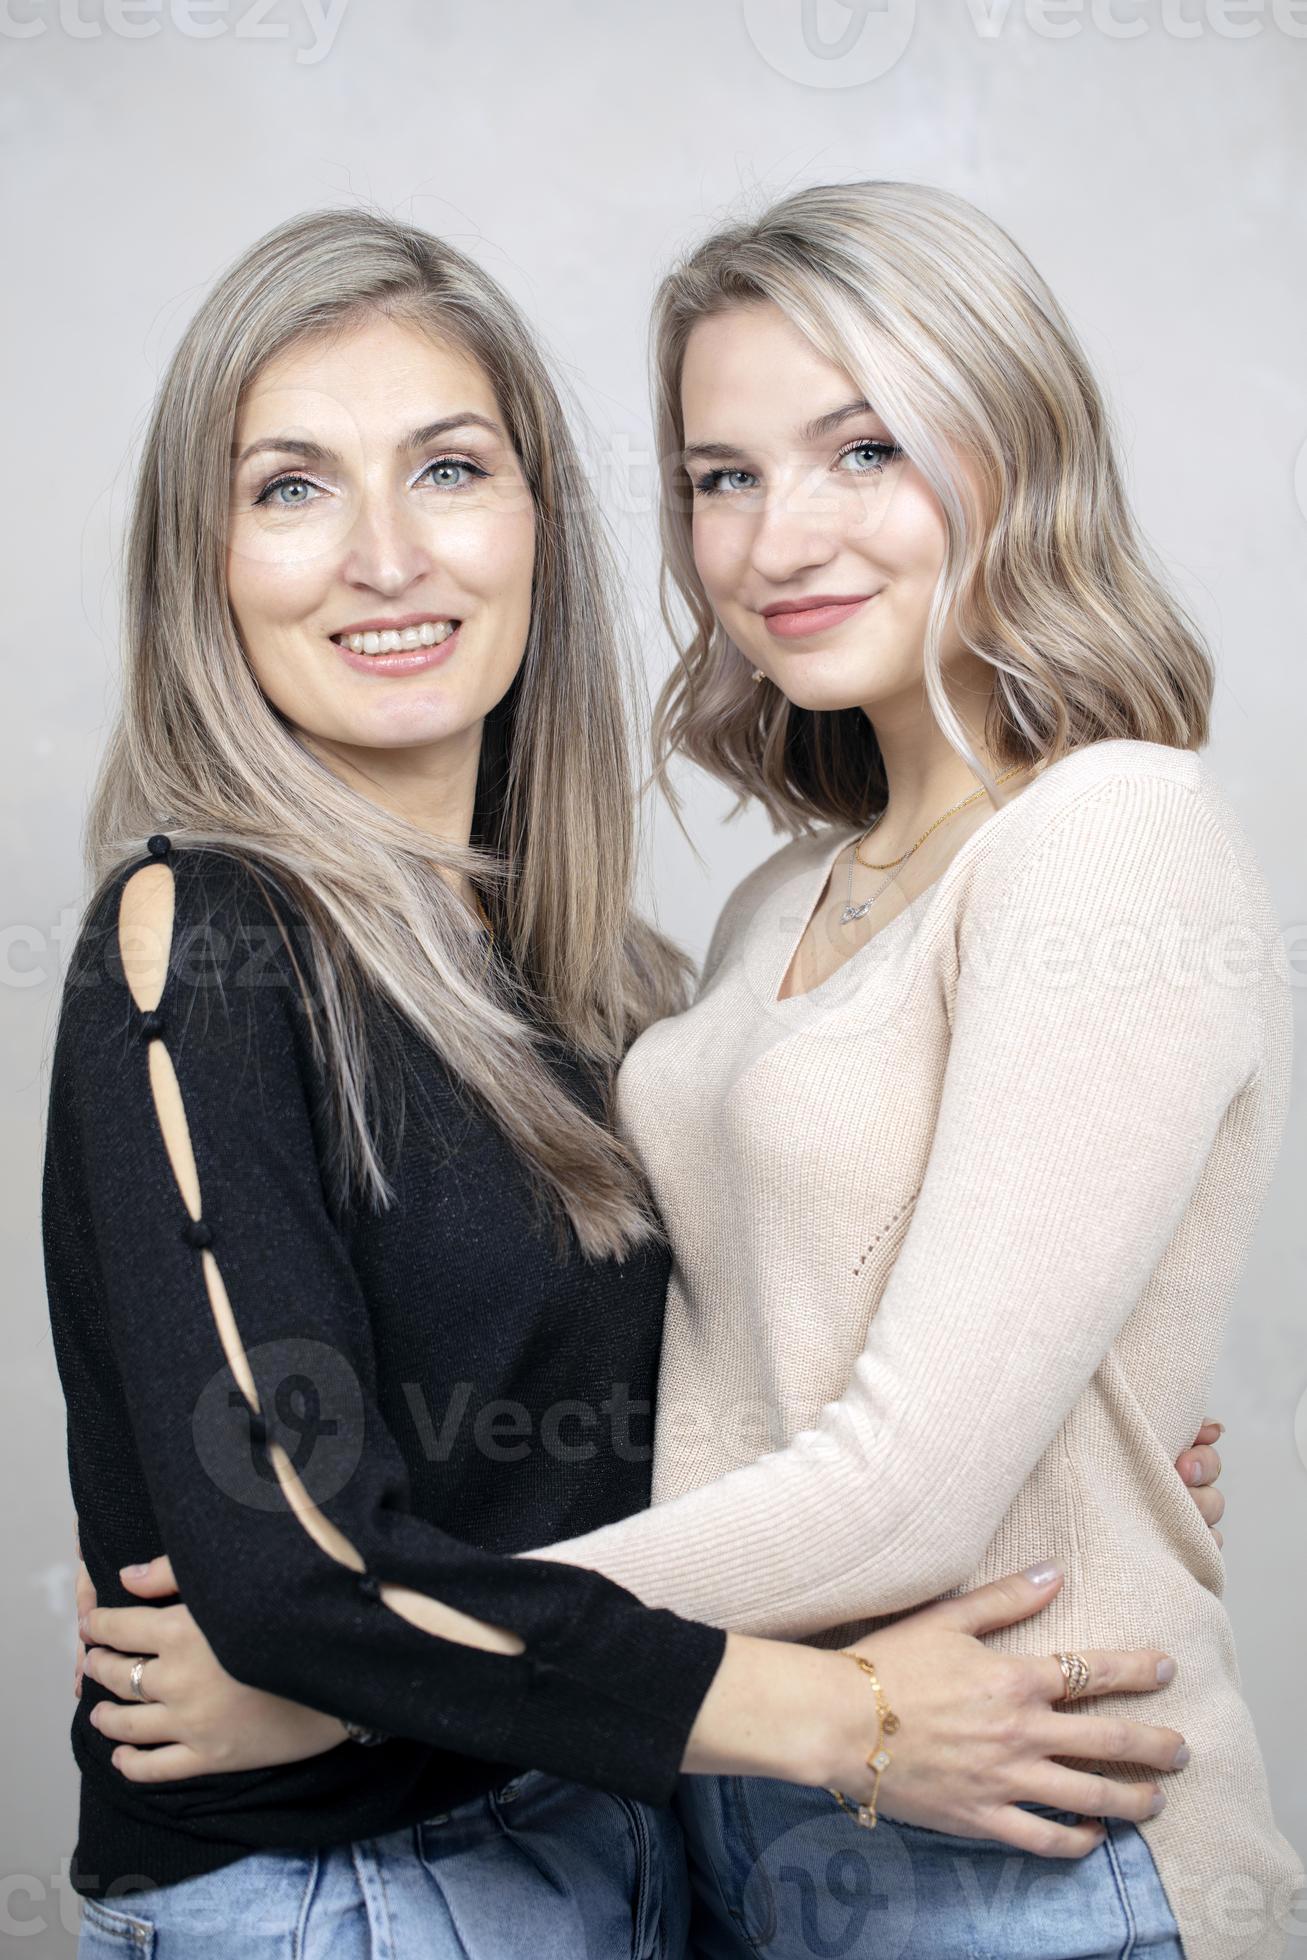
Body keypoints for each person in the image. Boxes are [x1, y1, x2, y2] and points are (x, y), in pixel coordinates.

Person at [61, 201, 1218, 1960]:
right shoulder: (202, 936)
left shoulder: (615, 988)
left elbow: (805, 1425)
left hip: (690, 1841)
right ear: (202, 562)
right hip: (380, 1891)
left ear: (541, 521)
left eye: (448, 469)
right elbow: (306, 1569)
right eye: (289, 488)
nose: (385, 558)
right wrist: (354, 1643)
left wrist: (360, 1665)